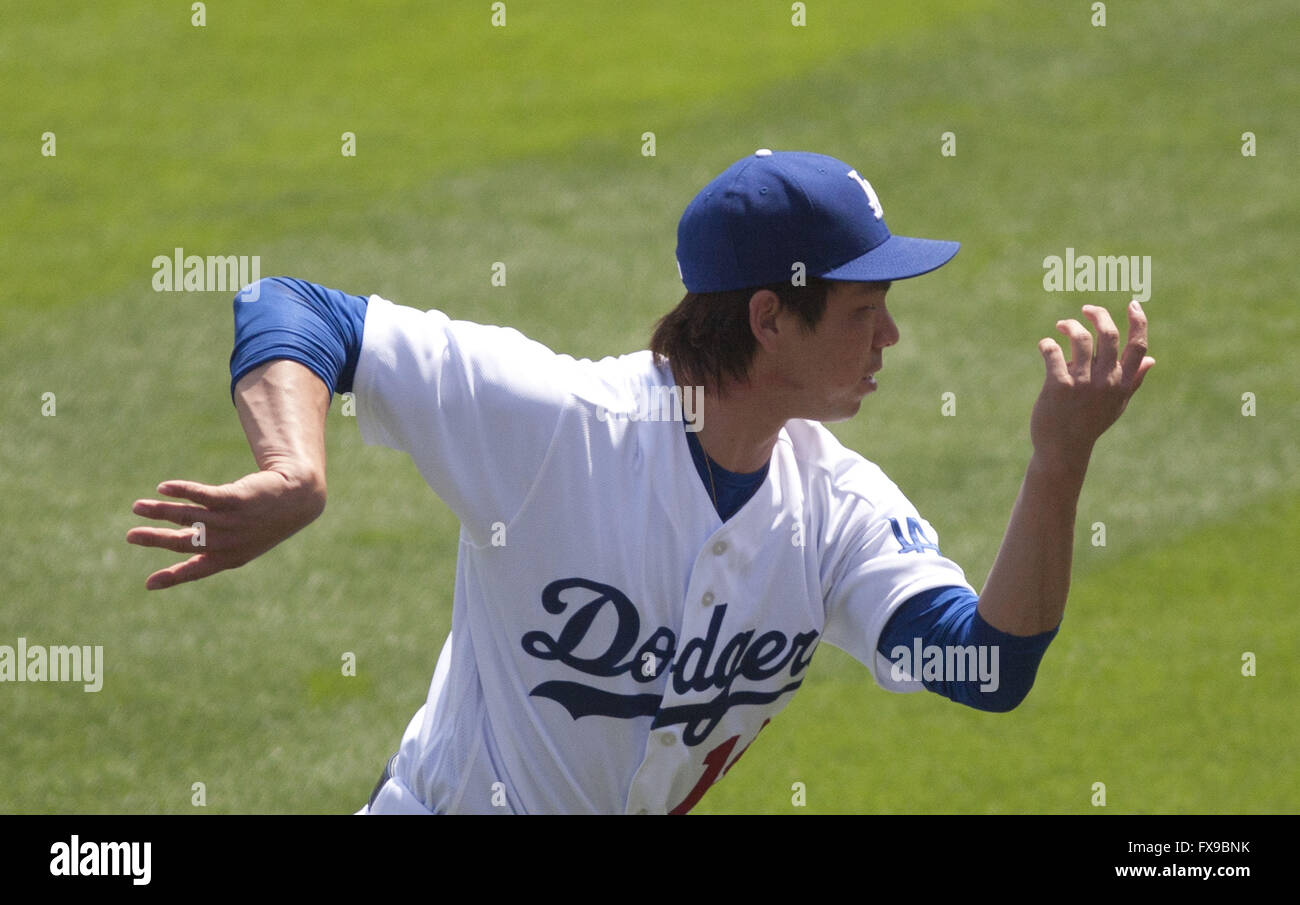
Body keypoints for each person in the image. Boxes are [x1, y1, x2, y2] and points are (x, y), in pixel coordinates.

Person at [128, 150, 1153, 814]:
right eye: (861, 309)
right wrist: (293, 468)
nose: (890, 334)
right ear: (766, 317)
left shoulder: (834, 511)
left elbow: (988, 667)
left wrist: (1057, 463)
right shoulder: (556, 426)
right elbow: (297, 308)